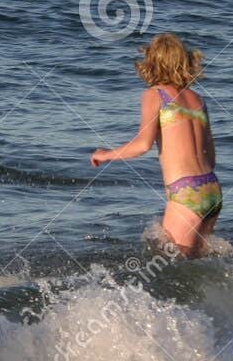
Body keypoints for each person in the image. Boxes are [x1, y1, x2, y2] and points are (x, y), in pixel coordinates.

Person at [90, 32, 221, 257]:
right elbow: (211, 158)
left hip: (186, 192)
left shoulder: (155, 95)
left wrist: (105, 154)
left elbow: (143, 144)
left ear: (152, 62)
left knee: (171, 263)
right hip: (212, 188)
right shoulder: (198, 99)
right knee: (199, 261)